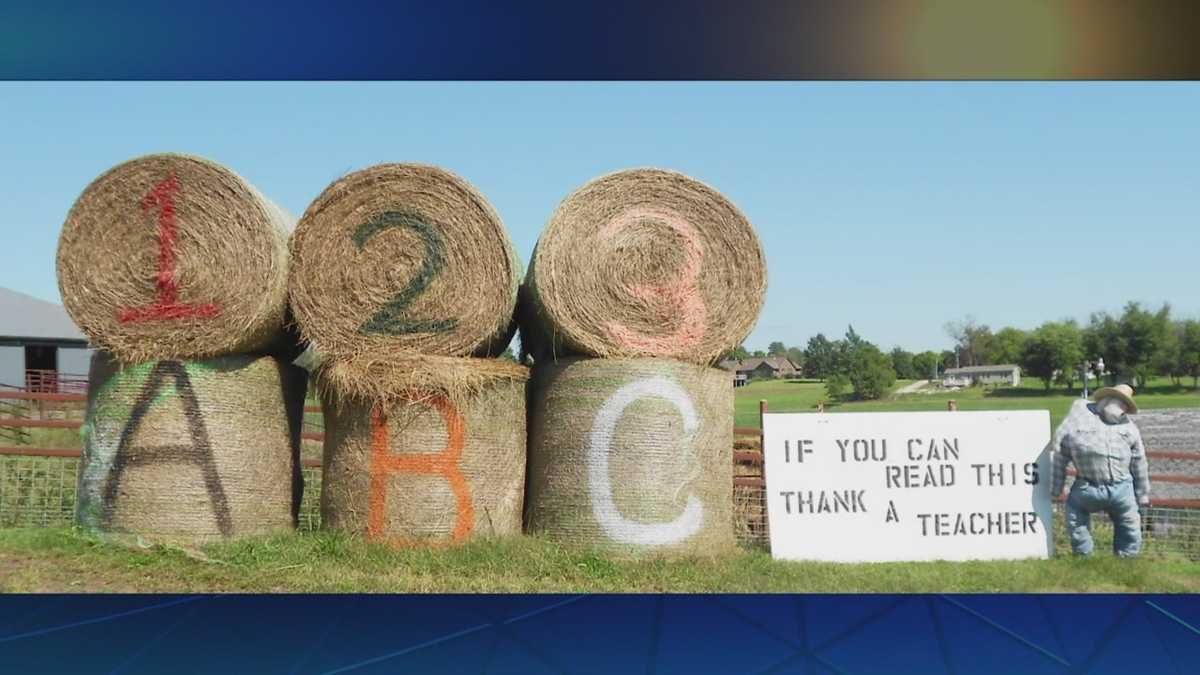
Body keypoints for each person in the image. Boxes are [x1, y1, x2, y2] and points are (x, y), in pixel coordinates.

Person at [1050, 384, 1149, 557]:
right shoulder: (1078, 418)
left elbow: (1139, 461)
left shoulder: (1129, 428)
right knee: (1076, 518)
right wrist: (1056, 487)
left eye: (1125, 405)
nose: (1123, 409)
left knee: (1129, 524)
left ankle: (1126, 561)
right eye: (1122, 403)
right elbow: (1059, 451)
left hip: (1121, 487)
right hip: (1087, 485)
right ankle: (1084, 557)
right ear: (1109, 400)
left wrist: (1142, 494)